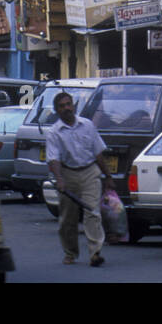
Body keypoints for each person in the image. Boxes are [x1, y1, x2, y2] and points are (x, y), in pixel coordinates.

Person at [45, 91, 116, 267]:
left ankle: (95, 253)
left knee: (93, 212)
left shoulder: (87, 125)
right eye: (62, 106)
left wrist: (108, 176)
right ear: (56, 110)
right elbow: (54, 159)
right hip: (68, 174)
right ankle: (70, 252)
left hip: (90, 171)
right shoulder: (54, 132)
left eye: (69, 104)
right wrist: (60, 179)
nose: (66, 108)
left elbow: (98, 153)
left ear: (74, 106)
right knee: (68, 218)